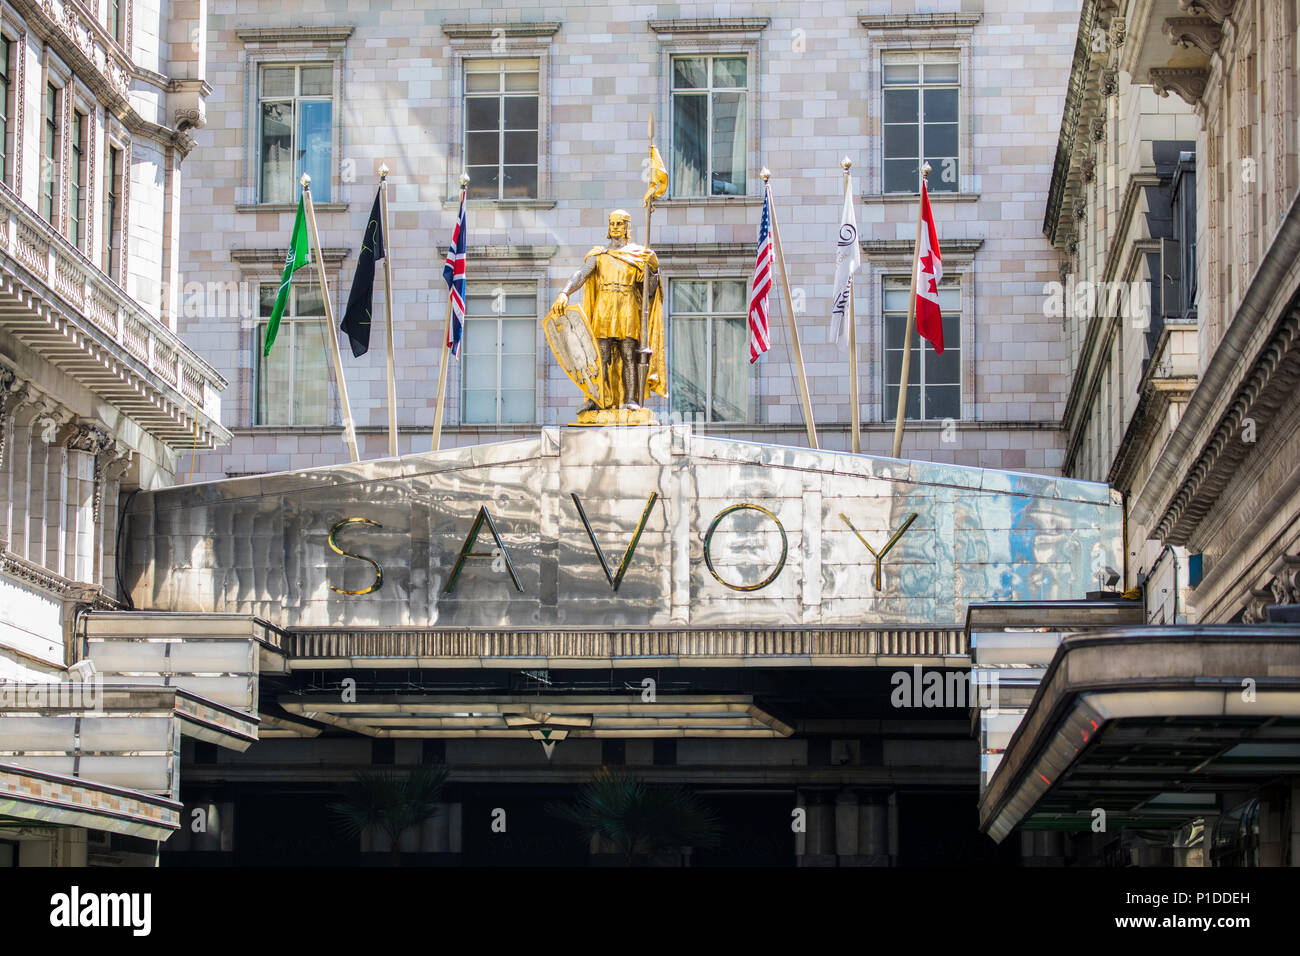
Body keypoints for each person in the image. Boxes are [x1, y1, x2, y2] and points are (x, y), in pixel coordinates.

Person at [548, 210, 666, 412]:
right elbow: (581, 275)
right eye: (612, 223)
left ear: (627, 227)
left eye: (620, 223)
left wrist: (654, 269)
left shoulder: (639, 256)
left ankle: (630, 399)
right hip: (604, 305)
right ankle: (597, 398)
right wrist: (564, 292)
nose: (615, 227)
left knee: (628, 353)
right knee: (600, 356)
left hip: (627, 304)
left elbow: (650, 291)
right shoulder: (600, 255)